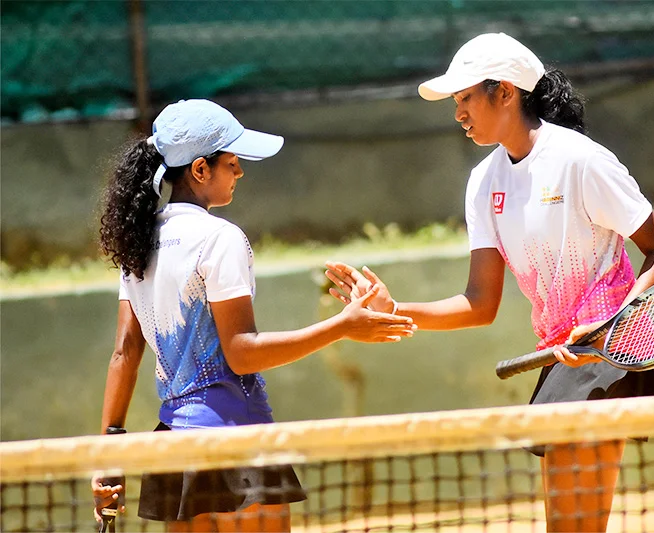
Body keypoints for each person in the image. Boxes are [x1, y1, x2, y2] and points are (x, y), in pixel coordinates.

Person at [325, 33, 654, 532]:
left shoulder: (580, 160)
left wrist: (612, 321)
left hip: (614, 348)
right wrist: (395, 307)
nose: (458, 114)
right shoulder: (483, 182)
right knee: (573, 523)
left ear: (507, 93)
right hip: (562, 350)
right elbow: (479, 304)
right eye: (456, 103)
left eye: (466, 98)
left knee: (572, 521)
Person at [91, 99, 417, 533]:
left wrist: (108, 455)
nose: (240, 171)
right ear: (200, 170)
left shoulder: (138, 244)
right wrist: (342, 326)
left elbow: (123, 354)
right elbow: (242, 354)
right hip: (238, 439)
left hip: (171, 448)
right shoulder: (221, 238)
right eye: (232, 162)